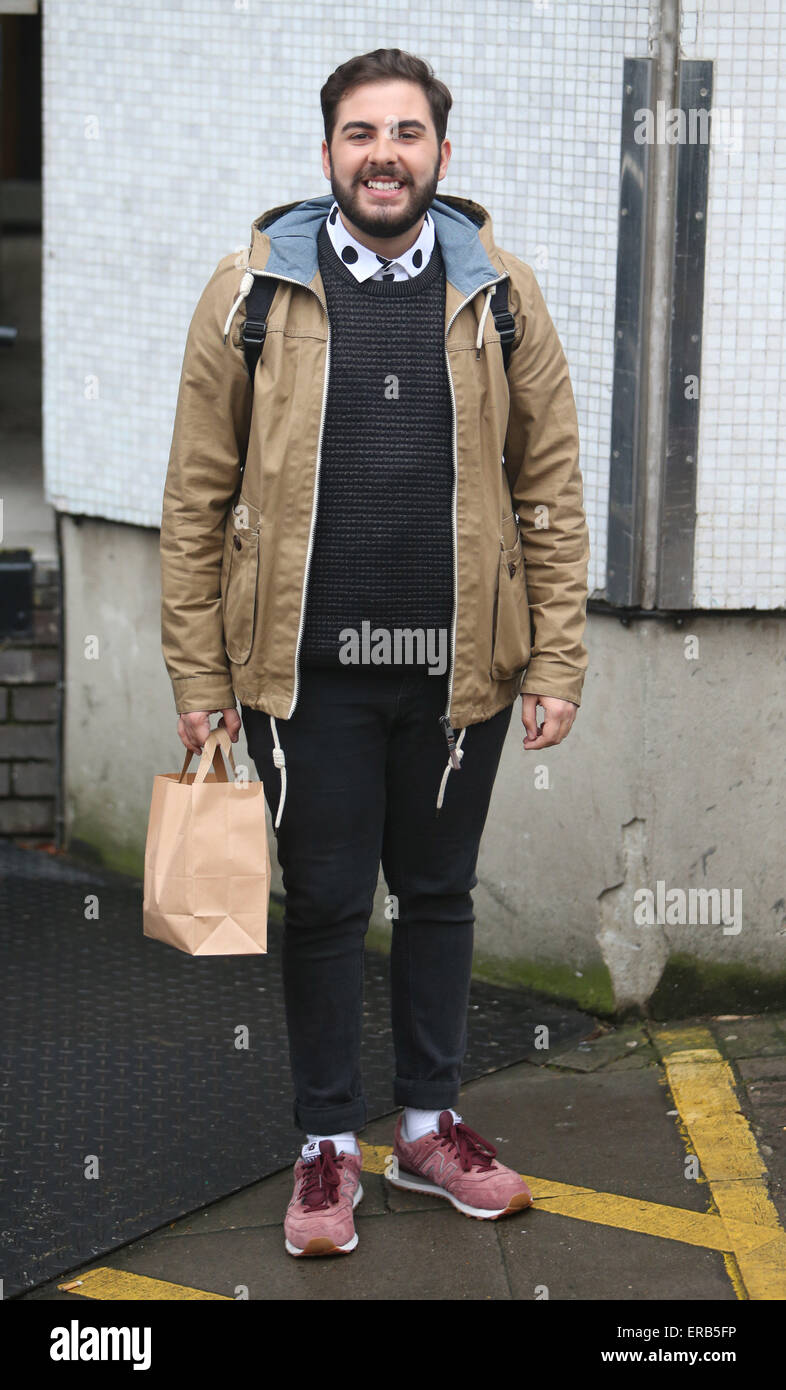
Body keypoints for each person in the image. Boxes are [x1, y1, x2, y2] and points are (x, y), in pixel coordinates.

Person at [160, 47, 590, 1258]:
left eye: (407, 133)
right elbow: (195, 497)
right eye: (361, 134)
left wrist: (557, 654)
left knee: (440, 895)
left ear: (443, 154)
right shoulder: (250, 295)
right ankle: (324, 1148)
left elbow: (548, 484)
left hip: (461, 673)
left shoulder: (499, 290)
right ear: (328, 154)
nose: (384, 154)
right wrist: (199, 677)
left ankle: (430, 1125)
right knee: (329, 906)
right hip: (308, 675)